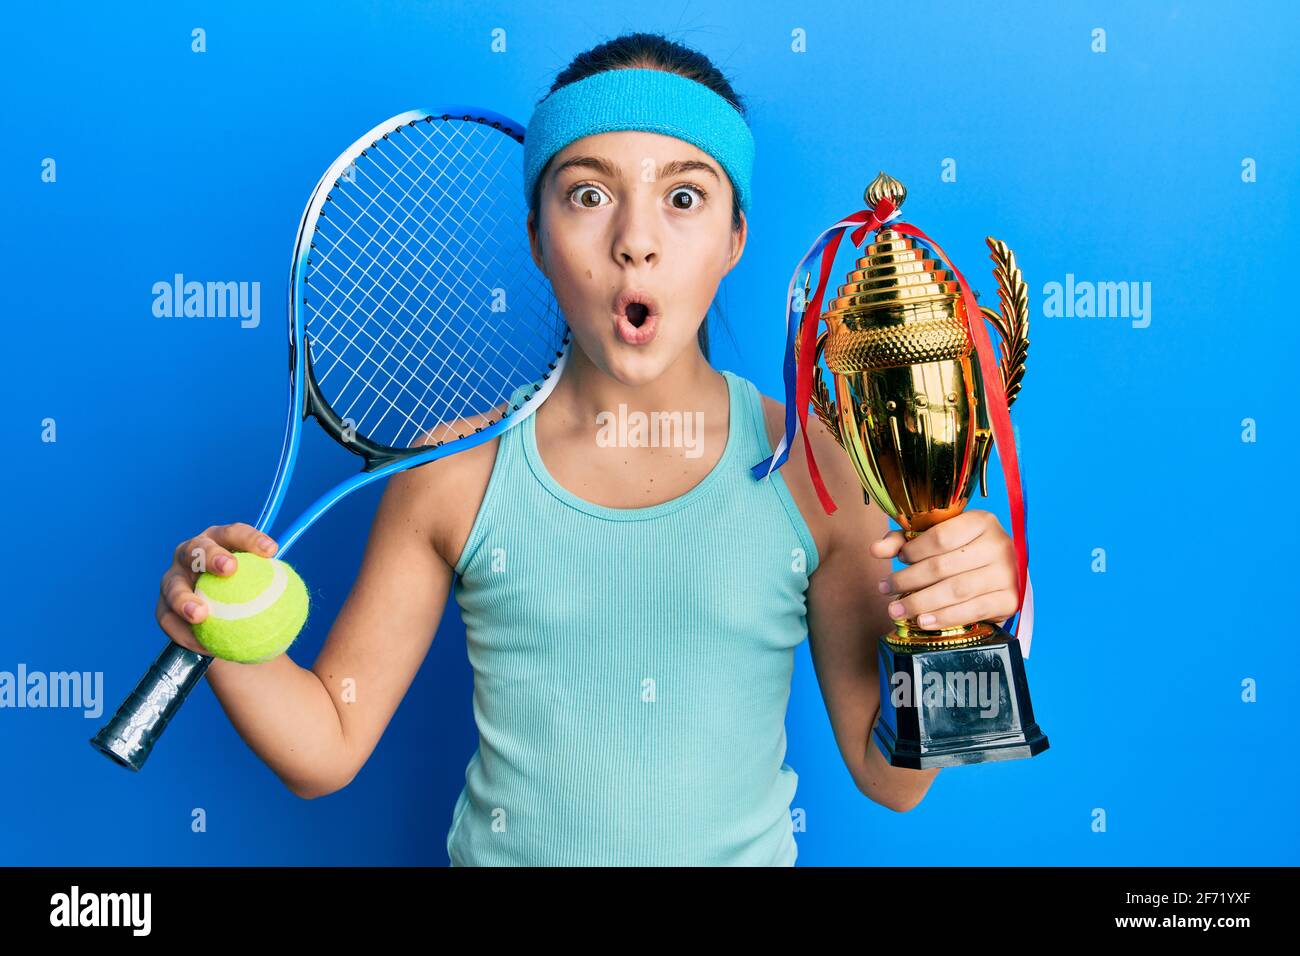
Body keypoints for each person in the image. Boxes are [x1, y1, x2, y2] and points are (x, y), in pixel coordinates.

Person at [155, 32, 1024, 866]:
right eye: (588, 194)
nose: (634, 240)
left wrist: (970, 624)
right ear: (537, 239)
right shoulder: (454, 474)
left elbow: (891, 778)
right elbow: (329, 744)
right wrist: (225, 635)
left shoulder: (814, 469)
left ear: (734, 241)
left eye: (684, 197)